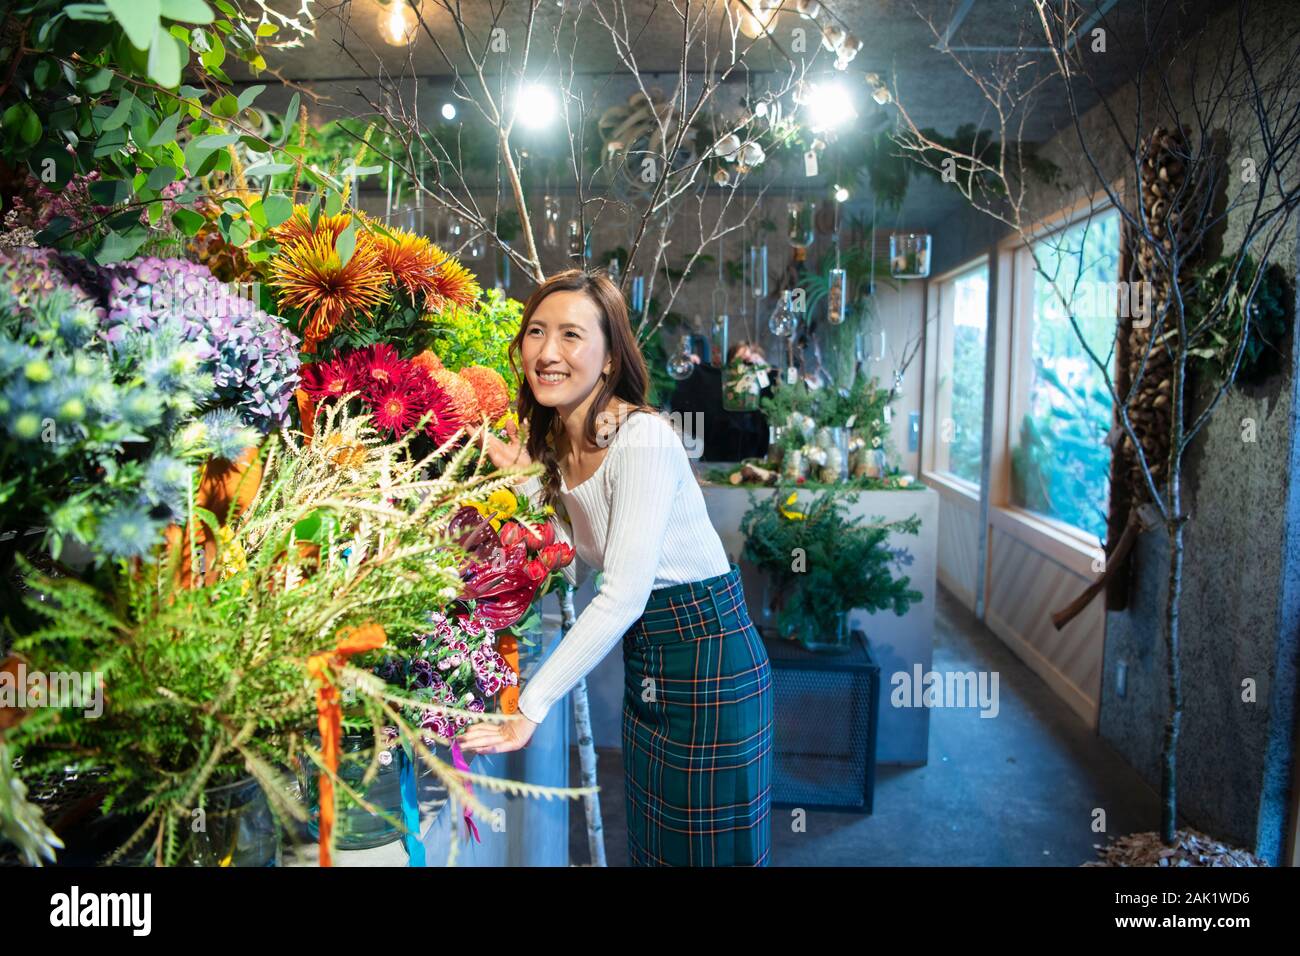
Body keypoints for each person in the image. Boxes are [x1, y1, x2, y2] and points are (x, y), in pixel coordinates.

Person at [463, 269, 774, 867]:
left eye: (572, 335)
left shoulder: (643, 440)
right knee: (657, 850)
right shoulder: (560, 440)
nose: (547, 352)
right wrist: (523, 486)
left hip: (708, 655)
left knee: (708, 854)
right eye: (535, 332)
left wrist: (532, 703)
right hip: (652, 658)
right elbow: (574, 550)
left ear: (609, 358)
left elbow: (622, 594)